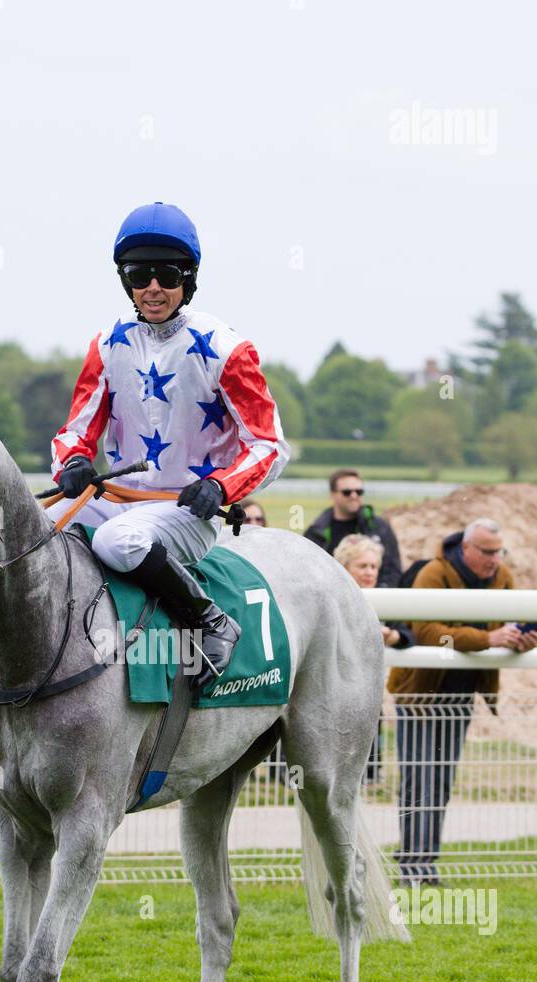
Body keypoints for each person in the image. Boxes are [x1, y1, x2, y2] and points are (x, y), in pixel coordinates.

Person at [49, 201, 289, 688]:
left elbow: (268, 444)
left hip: (186, 512)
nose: (153, 287)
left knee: (120, 542)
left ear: (189, 278)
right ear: (125, 280)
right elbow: (75, 428)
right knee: (37, 529)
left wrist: (221, 488)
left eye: (167, 274)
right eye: (139, 274)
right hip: (115, 500)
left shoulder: (226, 349)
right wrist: (73, 460)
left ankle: (212, 621)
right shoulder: (106, 342)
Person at [387, 518, 537, 885]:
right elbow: (426, 632)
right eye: (487, 552)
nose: (494, 559)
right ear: (466, 548)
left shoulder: (502, 576)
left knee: (440, 780)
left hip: (461, 696)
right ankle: (413, 865)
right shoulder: (433, 573)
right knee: (419, 778)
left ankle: (425, 864)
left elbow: (512, 621)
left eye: (498, 551)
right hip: (420, 696)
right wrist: (489, 640)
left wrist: (521, 639)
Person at [334, 534, 413, 783]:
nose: (369, 572)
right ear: (345, 567)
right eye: (362, 566)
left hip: (369, 687)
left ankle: (370, 772)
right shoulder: (333, 598)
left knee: (370, 723)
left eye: (373, 567)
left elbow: (409, 634)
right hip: (335, 684)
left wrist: (393, 636)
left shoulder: (387, 599)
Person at [304, 469, 402, 587]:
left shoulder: (379, 528)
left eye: (359, 491)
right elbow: (307, 573)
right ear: (332, 494)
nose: (354, 496)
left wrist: (379, 594)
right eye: (347, 492)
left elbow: (393, 570)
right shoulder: (316, 532)